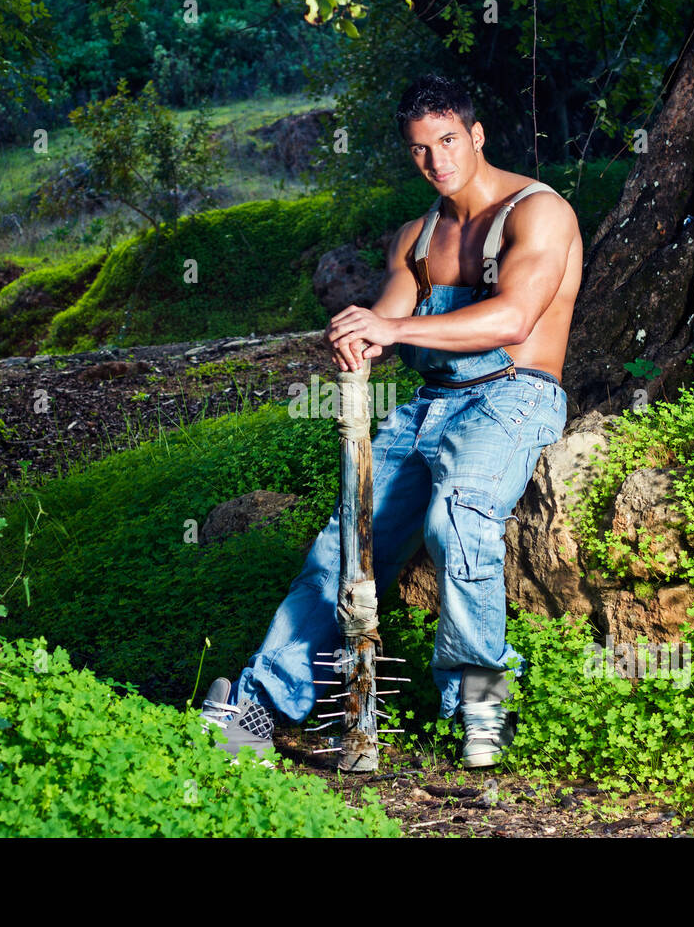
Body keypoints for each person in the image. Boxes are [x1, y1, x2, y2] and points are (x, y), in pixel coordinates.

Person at [200, 73, 582, 768]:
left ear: (476, 135)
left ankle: (480, 707)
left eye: (447, 140)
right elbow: (390, 324)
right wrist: (361, 336)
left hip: (514, 393)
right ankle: (255, 706)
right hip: (430, 403)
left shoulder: (539, 212)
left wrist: (392, 322)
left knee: (457, 516)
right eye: (419, 149)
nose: (437, 160)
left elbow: (515, 317)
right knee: (344, 546)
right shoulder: (416, 236)